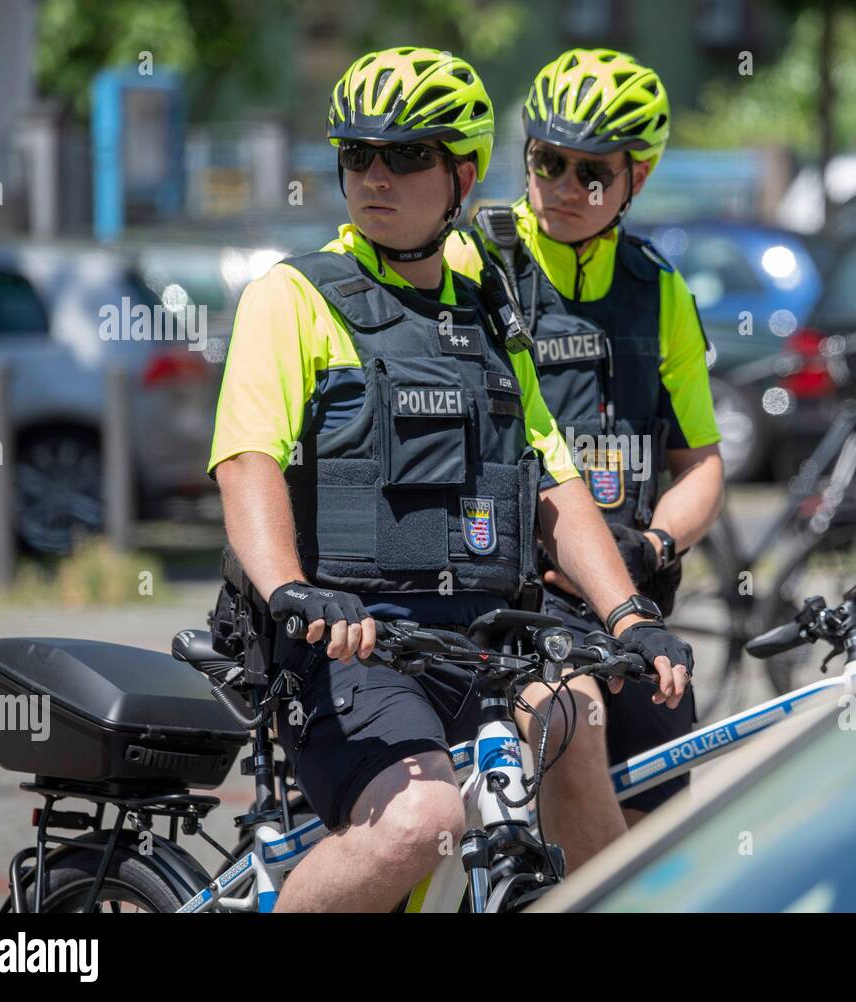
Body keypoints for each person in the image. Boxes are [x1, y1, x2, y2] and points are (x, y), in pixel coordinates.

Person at [207, 47, 692, 912]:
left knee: (575, 720)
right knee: (423, 818)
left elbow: (552, 479)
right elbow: (247, 462)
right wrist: (290, 589)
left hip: (480, 637)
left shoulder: (488, 310)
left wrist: (630, 615)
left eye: (406, 155)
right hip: (349, 645)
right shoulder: (291, 297)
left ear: (463, 172)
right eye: (356, 154)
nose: (374, 176)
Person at [445, 48, 724, 864]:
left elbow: (700, 461)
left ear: (637, 177)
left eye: (591, 173)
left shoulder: (660, 290)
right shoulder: (474, 264)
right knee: (579, 731)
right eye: (546, 161)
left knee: (662, 806)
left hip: (626, 602)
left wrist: (656, 544)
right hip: (514, 598)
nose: (564, 187)